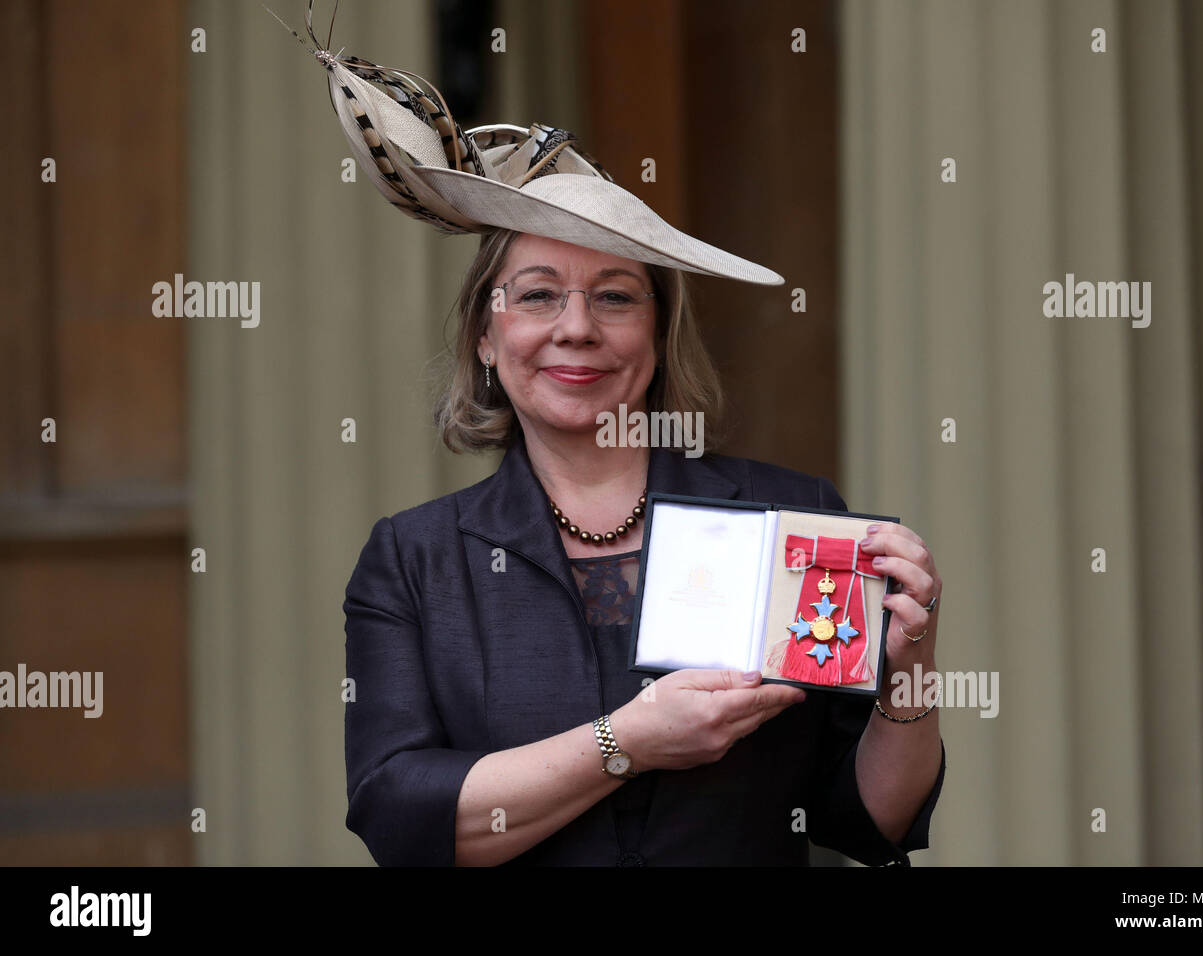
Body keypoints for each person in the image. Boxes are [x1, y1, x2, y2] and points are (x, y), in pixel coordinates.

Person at [286, 20, 947, 865]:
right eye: (536, 296)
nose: (576, 329)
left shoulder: (794, 521)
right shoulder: (414, 561)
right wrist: (628, 740)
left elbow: (869, 822)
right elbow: (402, 818)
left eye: (615, 297)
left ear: (657, 333)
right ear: (486, 339)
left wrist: (911, 668)